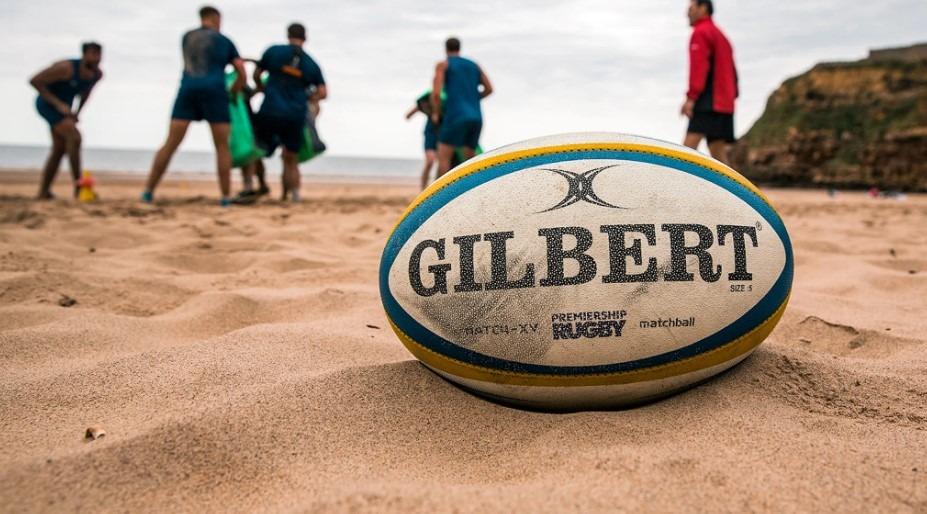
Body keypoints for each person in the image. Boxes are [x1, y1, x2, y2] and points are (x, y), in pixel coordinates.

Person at [143, 6, 246, 205]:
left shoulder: (187, 37)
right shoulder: (224, 41)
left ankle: (148, 190)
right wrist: (234, 90)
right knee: (222, 146)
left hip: (188, 89)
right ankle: (225, 197)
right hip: (215, 91)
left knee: (171, 142)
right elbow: (241, 70)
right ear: (216, 19)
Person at [252, 23, 326, 202]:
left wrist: (263, 88)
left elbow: (256, 74)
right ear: (305, 38)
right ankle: (293, 195)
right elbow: (322, 92)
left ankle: (260, 185)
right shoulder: (310, 63)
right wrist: (308, 99)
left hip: (271, 109)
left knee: (256, 150)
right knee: (290, 157)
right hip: (295, 114)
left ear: (288, 34)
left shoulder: (273, 52)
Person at [30, 42, 103, 200]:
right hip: (47, 104)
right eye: (93, 54)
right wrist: (58, 104)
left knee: (59, 149)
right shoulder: (66, 68)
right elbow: (35, 81)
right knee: (75, 137)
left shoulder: (96, 74)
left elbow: (85, 95)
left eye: (99, 54)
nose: (97, 58)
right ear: (84, 55)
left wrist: (77, 113)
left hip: (66, 109)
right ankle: (79, 188)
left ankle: (43, 192)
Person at [681, 0, 738, 165]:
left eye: (691, 8)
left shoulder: (701, 32)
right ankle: (730, 191)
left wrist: (691, 98)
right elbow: (734, 74)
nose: (687, 13)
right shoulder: (721, 36)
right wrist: (731, 97)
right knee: (719, 156)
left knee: (685, 153)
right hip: (725, 104)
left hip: (708, 102)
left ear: (703, 8)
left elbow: (699, 68)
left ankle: (671, 190)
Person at [431, 37, 492, 179]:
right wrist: (472, 99)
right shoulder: (474, 65)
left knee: (444, 157)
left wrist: (436, 112)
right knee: (470, 158)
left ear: (445, 49)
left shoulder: (443, 64)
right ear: (460, 48)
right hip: (476, 116)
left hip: (455, 115)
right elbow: (489, 89)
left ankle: (440, 199)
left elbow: (436, 94)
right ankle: (477, 188)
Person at [405, 91, 438, 190]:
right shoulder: (428, 99)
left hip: (444, 133)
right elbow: (408, 115)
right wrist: (425, 109)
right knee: (430, 161)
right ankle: (423, 189)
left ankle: (437, 188)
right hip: (431, 133)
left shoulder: (446, 99)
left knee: (443, 162)